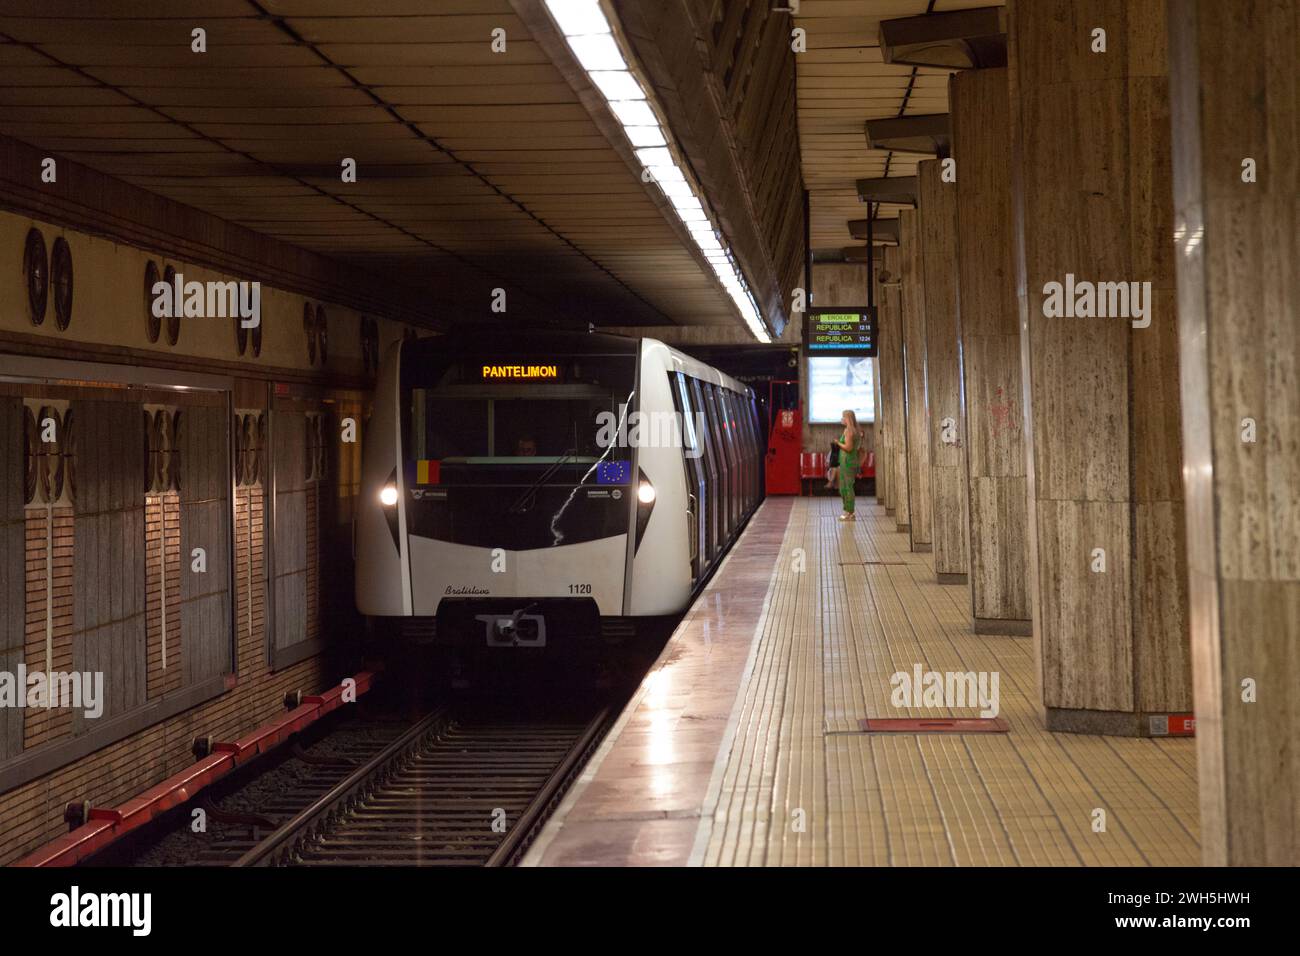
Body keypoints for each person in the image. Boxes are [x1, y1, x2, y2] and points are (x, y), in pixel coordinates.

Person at [833, 409, 861, 521]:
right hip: (850, 462)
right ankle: (850, 511)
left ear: (848, 419)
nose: (841, 419)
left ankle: (848, 512)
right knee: (848, 486)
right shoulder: (855, 430)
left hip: (847, 462)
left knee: (846, 487)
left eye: (843, 417)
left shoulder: (848, 431)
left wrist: (838, 443)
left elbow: (848, 448)